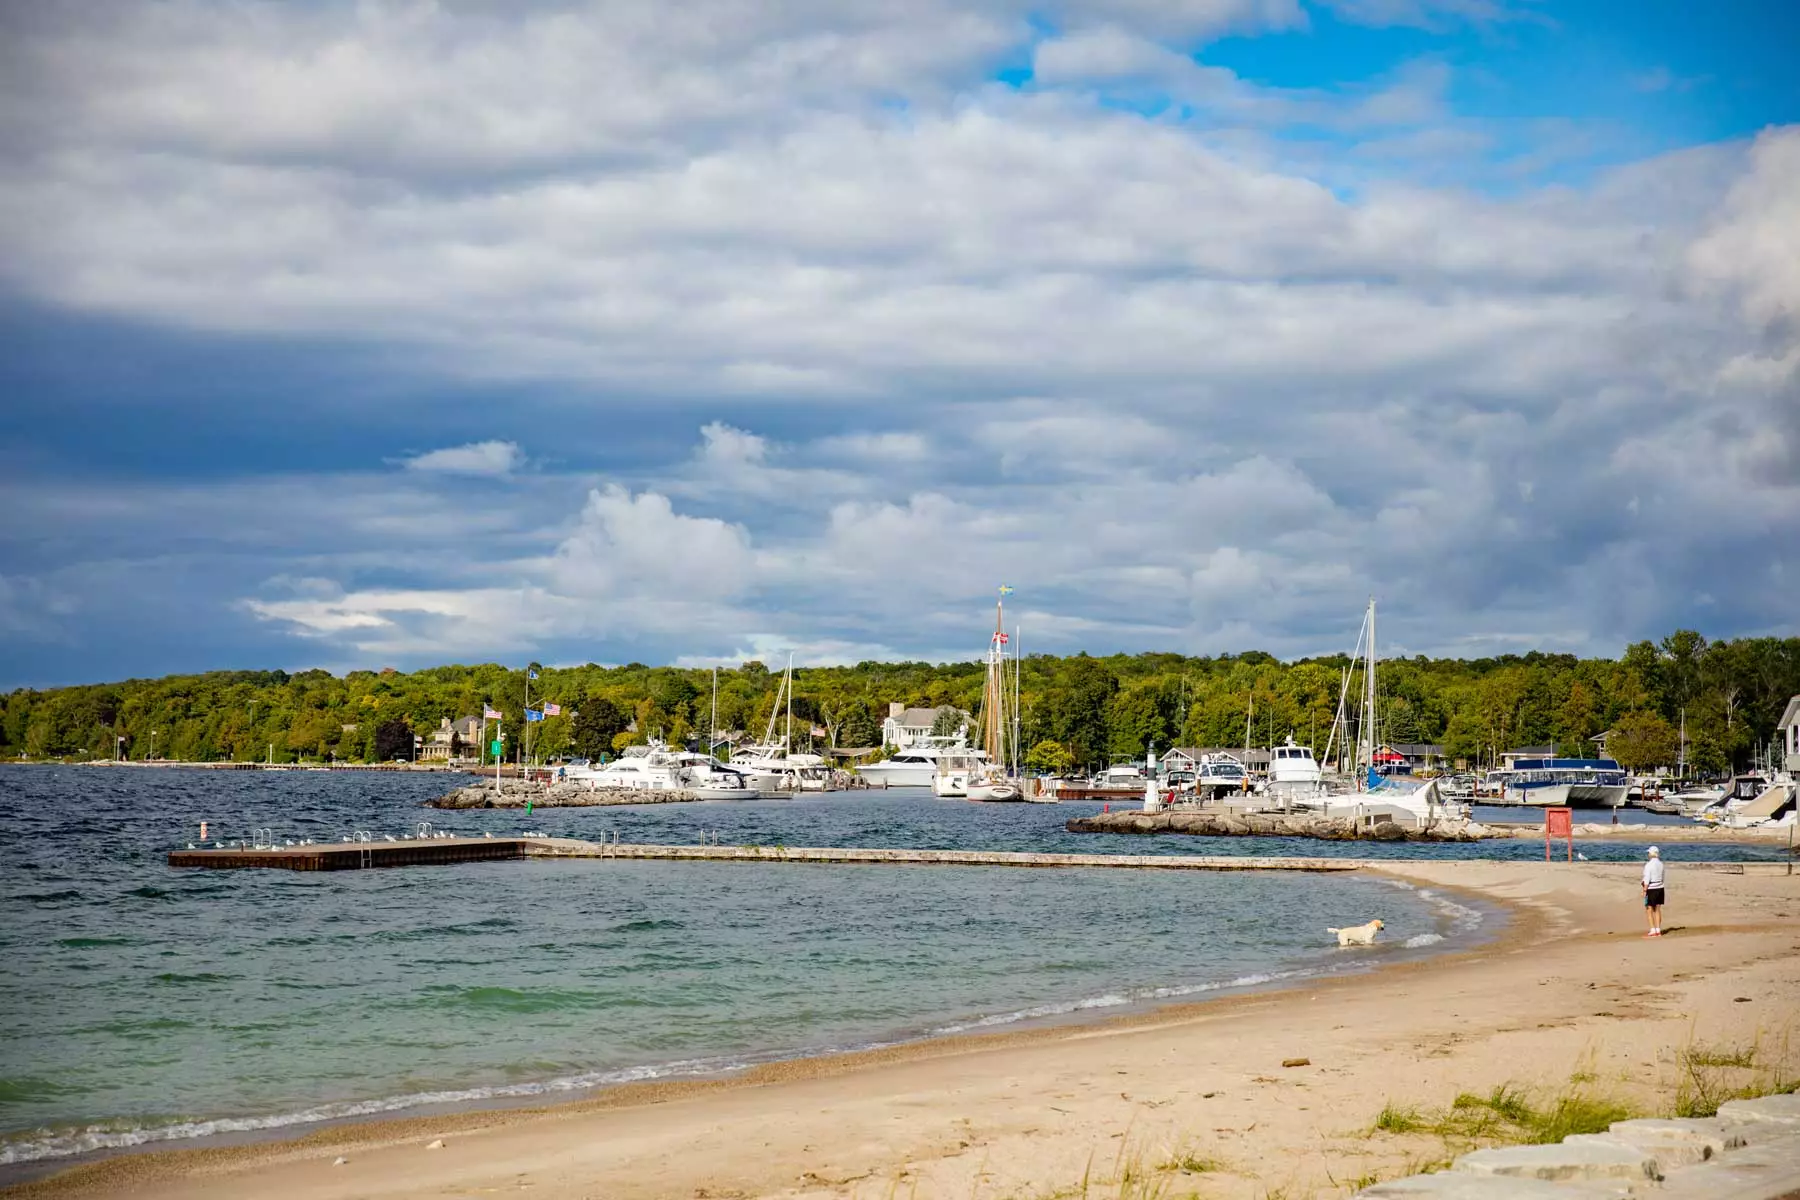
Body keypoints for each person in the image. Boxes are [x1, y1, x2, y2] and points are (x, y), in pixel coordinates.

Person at [1642, 845, 1666, 937]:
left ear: (1651, 853)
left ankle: (1652, 930)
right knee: (1657, 909)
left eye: (1648, 853)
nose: (1648, 854)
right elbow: (1663, 877)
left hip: (1651, 888)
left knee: (1649, 909)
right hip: (1660, 887)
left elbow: (1647, 878)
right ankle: (1658, 929)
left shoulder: (1648, 865)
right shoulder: (1661, 864)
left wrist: (1644, 890)